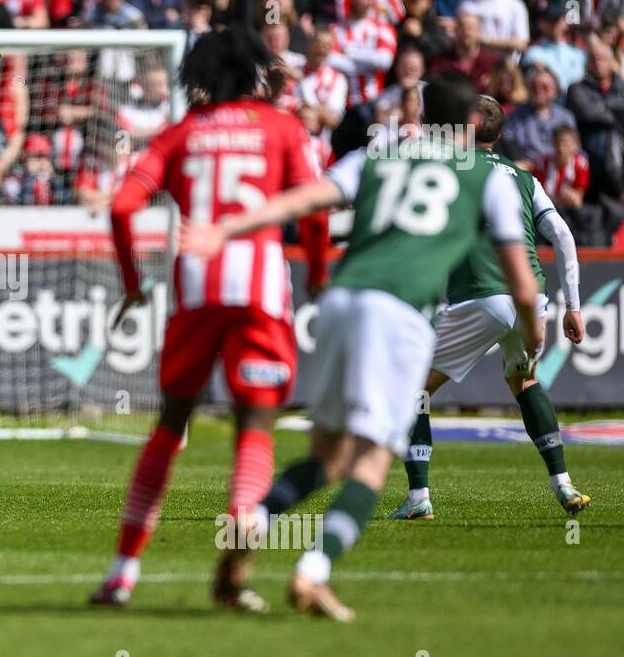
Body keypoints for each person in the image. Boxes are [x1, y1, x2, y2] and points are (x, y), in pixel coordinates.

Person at [181, 72, 541, 621]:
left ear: (421, 114)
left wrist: (224, 231)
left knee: (325, 455)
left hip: (339, 303)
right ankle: (313, 572)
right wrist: (534, 332)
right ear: (471, 123)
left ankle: (255, 520)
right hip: (398, 313)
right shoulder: (487, 178)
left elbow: (306, 198)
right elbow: (522, 283)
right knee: (370, 459)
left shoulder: (379, 156)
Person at [90, 27, 328, 611]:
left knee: (171, 425)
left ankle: (122, 573)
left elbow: (122, 207)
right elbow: (316, 206)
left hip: (196, 284)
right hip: (262, 289)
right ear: (254, 74)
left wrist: (131, 285)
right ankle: (236, 557)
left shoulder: (180, 134)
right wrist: (319, 273)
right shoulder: (282, 129)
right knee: (255, 428)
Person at [391, 96, 588, 520]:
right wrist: (573, 305)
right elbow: (564, 236)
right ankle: (564, 484)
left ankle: (418, 498)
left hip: (485, 296)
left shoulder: (448, 171)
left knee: (411, 389)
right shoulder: (523, 177)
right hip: (532, 298)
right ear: (499, 134)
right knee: (525, 381)